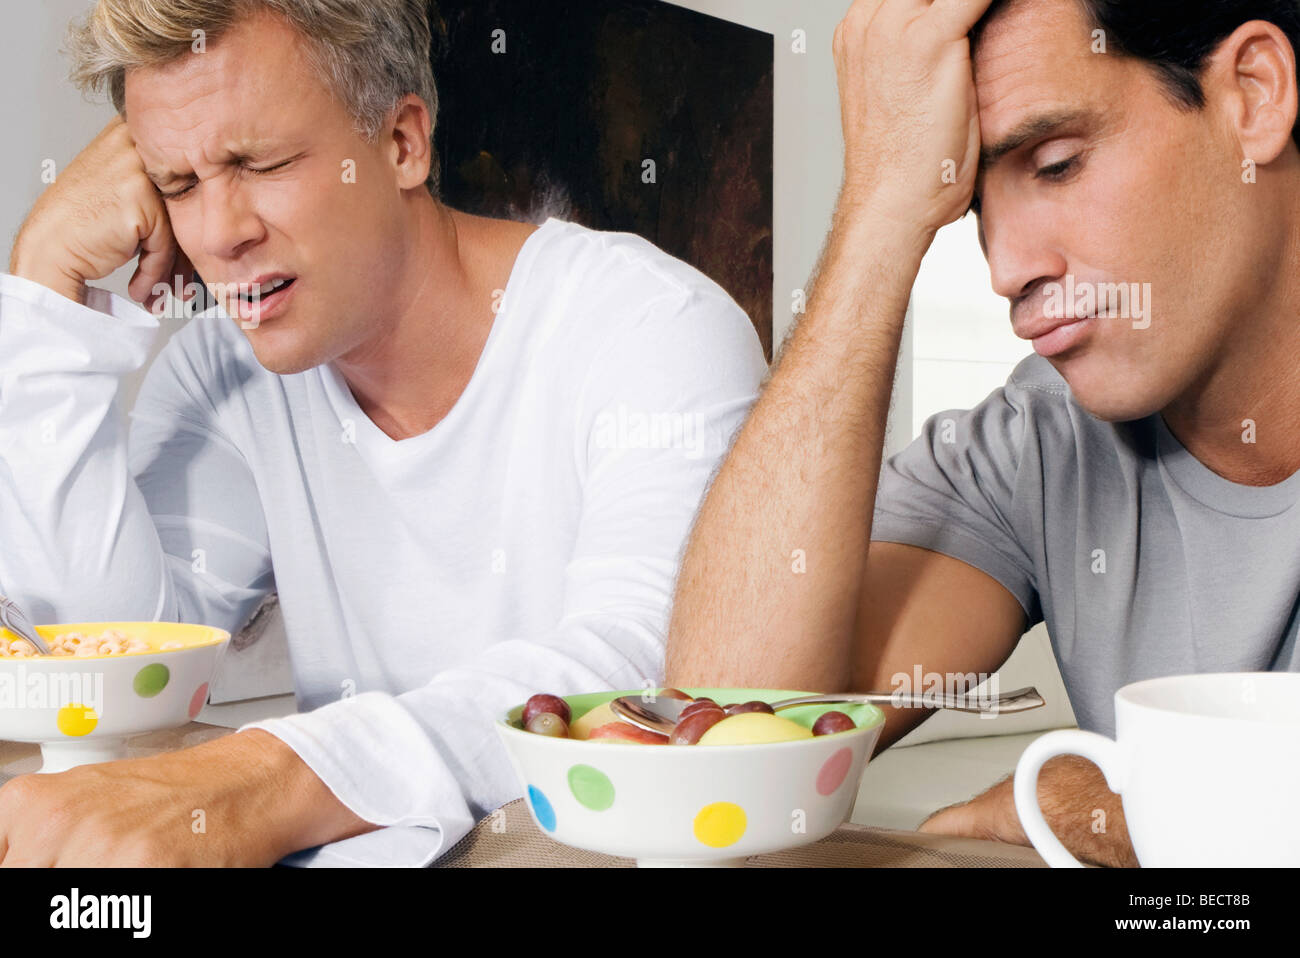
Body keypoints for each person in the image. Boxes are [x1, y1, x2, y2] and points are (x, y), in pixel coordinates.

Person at [0, 0, 765, 865]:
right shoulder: (220, 375)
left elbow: (642, 671)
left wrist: (274, 777)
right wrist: (42, 298)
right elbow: (113, 679)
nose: (219, 233)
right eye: (178, 184)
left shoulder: (652, 327)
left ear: (402, 143)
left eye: (261, 163)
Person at [666, 0, 1300, 868]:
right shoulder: (1038, 445)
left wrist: (1107, 804)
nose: (1007, 269)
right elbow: (726, 761)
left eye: (1058, 163)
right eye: (968, 208)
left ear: (1254, 95)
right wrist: (881, 209)